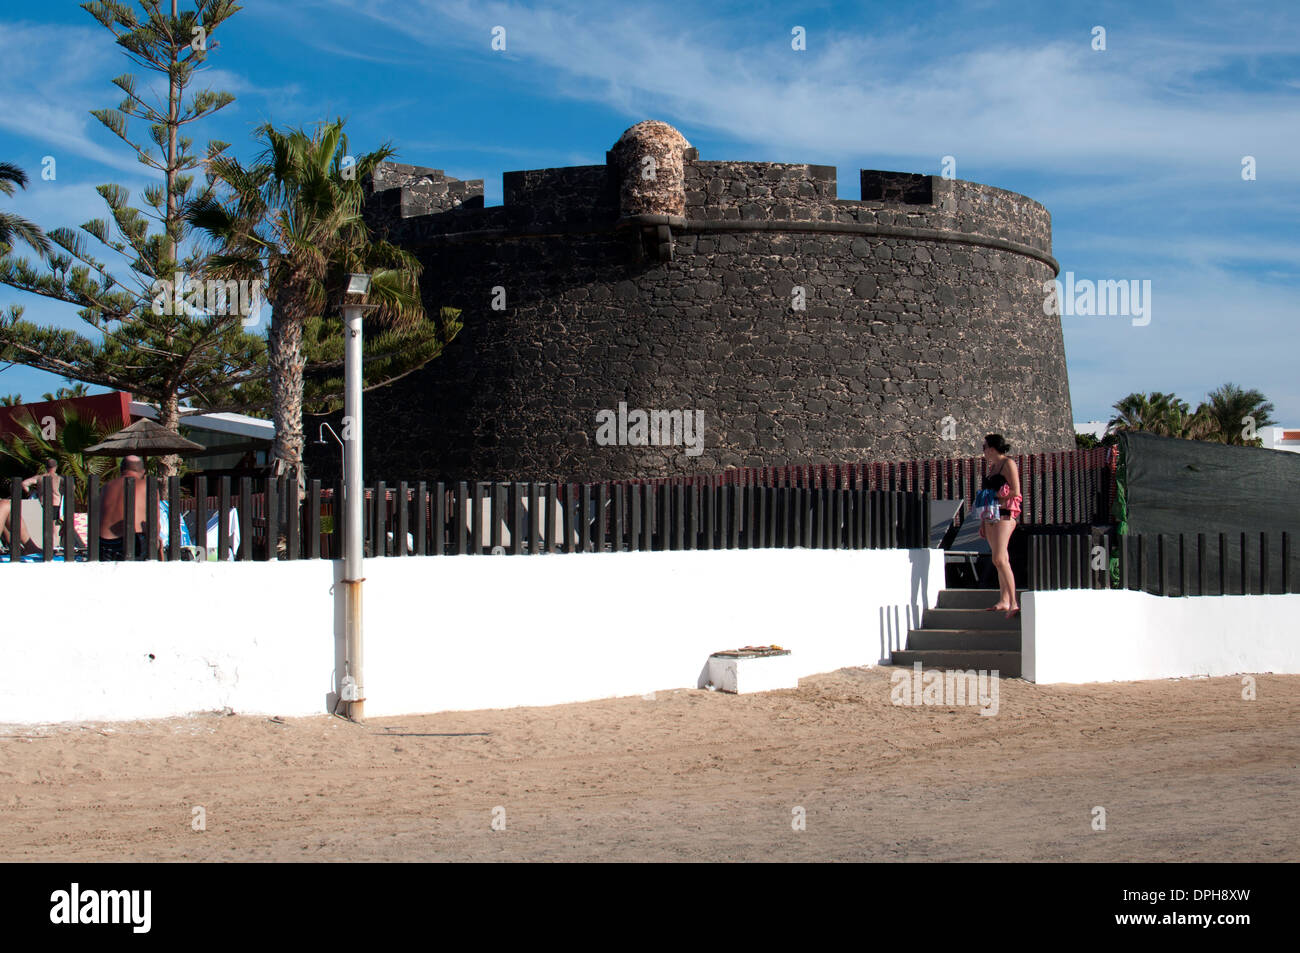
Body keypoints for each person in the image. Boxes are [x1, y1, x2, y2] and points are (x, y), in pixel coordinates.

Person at [975, 434, 1022, 617]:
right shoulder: (993, 467)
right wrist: (982, 521)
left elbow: (1016, 491)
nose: (984, 451)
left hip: (1004, 514)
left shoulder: (1007, 464)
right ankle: (1004, 600)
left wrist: (996, 497)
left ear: (992, 448)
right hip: (991, 515)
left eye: (984, 447)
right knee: (1000, 559)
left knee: (1000, 559)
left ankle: (1013, 602)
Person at [98, 455, 159, 560]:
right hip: (134, 540)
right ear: (143, 471)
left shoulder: (106, 486)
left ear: (121, 469)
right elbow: (155, 522)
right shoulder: (147, 486)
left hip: (104, 541)